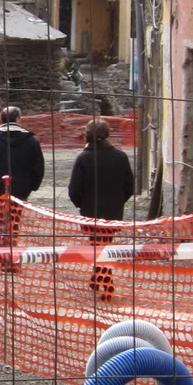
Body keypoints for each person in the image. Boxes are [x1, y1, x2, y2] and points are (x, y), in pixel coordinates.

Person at [68, 119, 135, 297]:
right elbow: (129, 187)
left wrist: (82, 205)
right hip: (113, 212)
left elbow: (74, 190)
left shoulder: (83, 158)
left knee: (97, 246)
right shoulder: (121, 157)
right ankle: (98, 278)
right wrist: (117, 201)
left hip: (90, 212)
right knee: (103, 246)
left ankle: (107, 284)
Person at [0, 106, 45, 245]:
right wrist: (33, 186)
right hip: (22, 188)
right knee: (15, 217)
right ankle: (10, 244)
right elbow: (38, 166)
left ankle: (6, 244)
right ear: (18, 119)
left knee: (1, 218)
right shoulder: (31, 141)